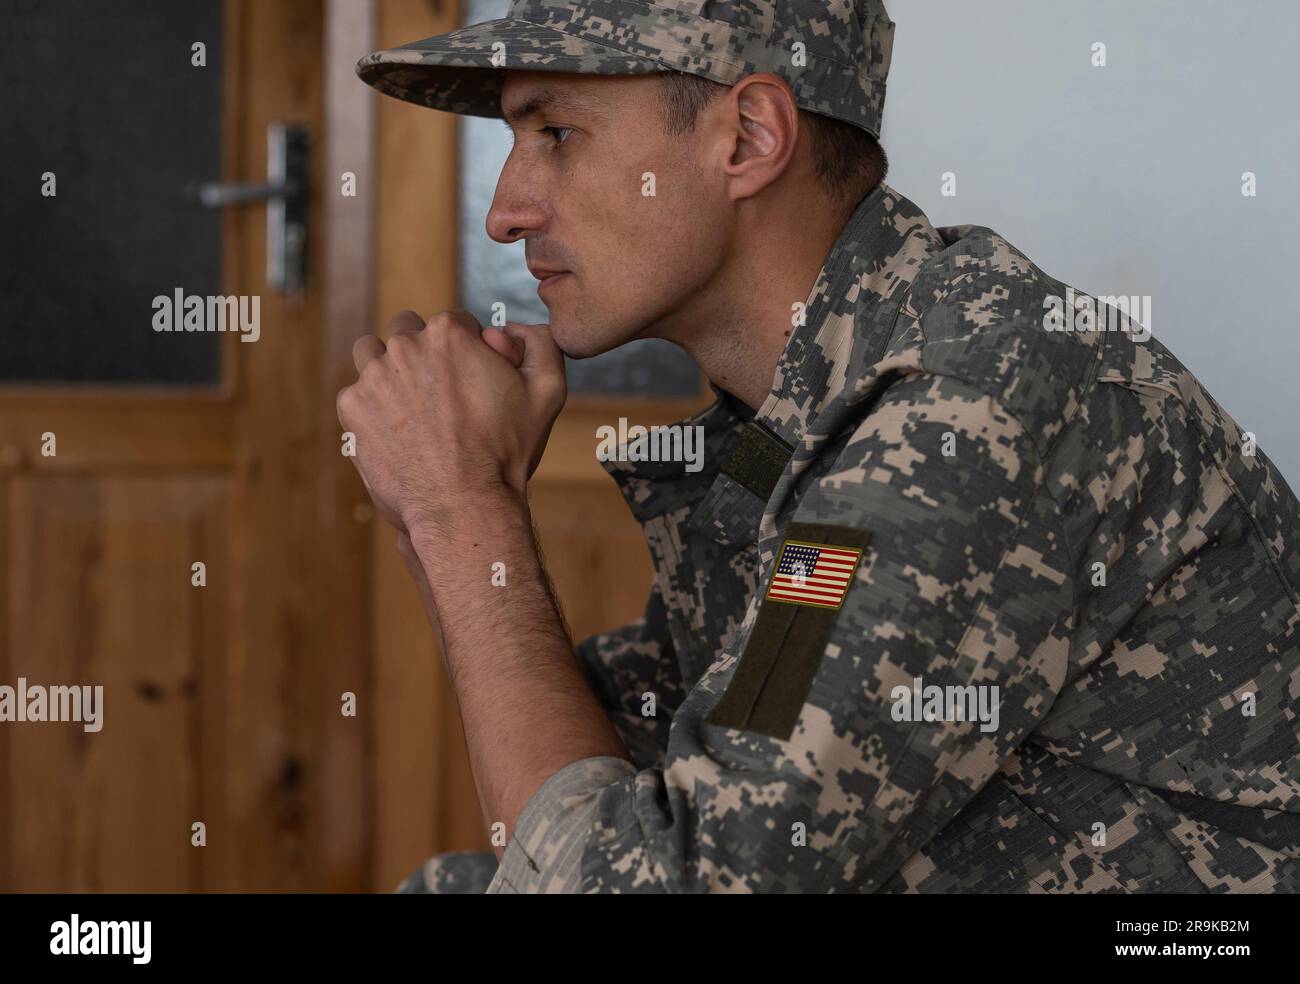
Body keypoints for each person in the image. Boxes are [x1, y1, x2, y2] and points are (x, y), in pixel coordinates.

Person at [338, 0, 1300, 893]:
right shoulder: (809, 411)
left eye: (556, 133)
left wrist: (462, 510)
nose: (507, 210)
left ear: (750, 138)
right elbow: (632, 775)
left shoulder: (964, 409)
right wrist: (446, 505)